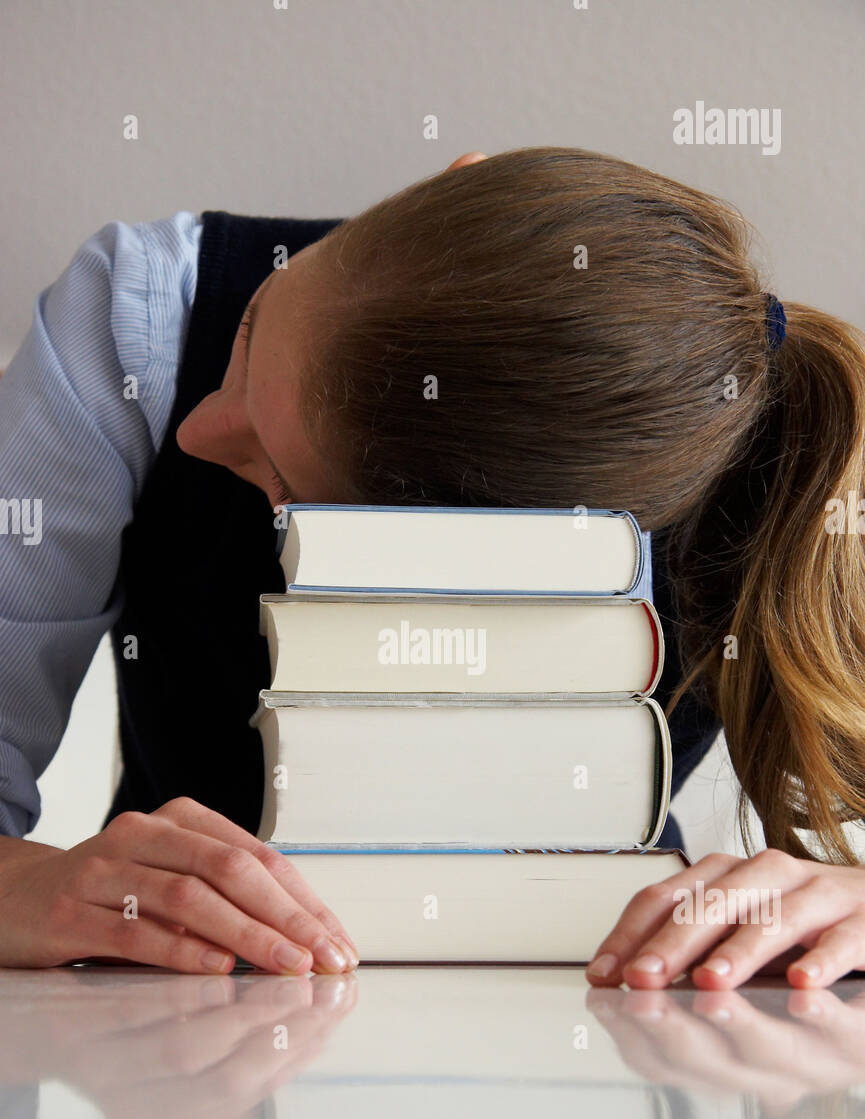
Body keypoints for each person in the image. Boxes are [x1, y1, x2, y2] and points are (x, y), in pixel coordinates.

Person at [2, 147, 864, 990]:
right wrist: (22, 884)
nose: (198, 435)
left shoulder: (791, 466)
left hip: (611, 1018)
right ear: (457, 178)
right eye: (252, 324)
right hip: (175, 1039)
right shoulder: (140, 317)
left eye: (280, 482)